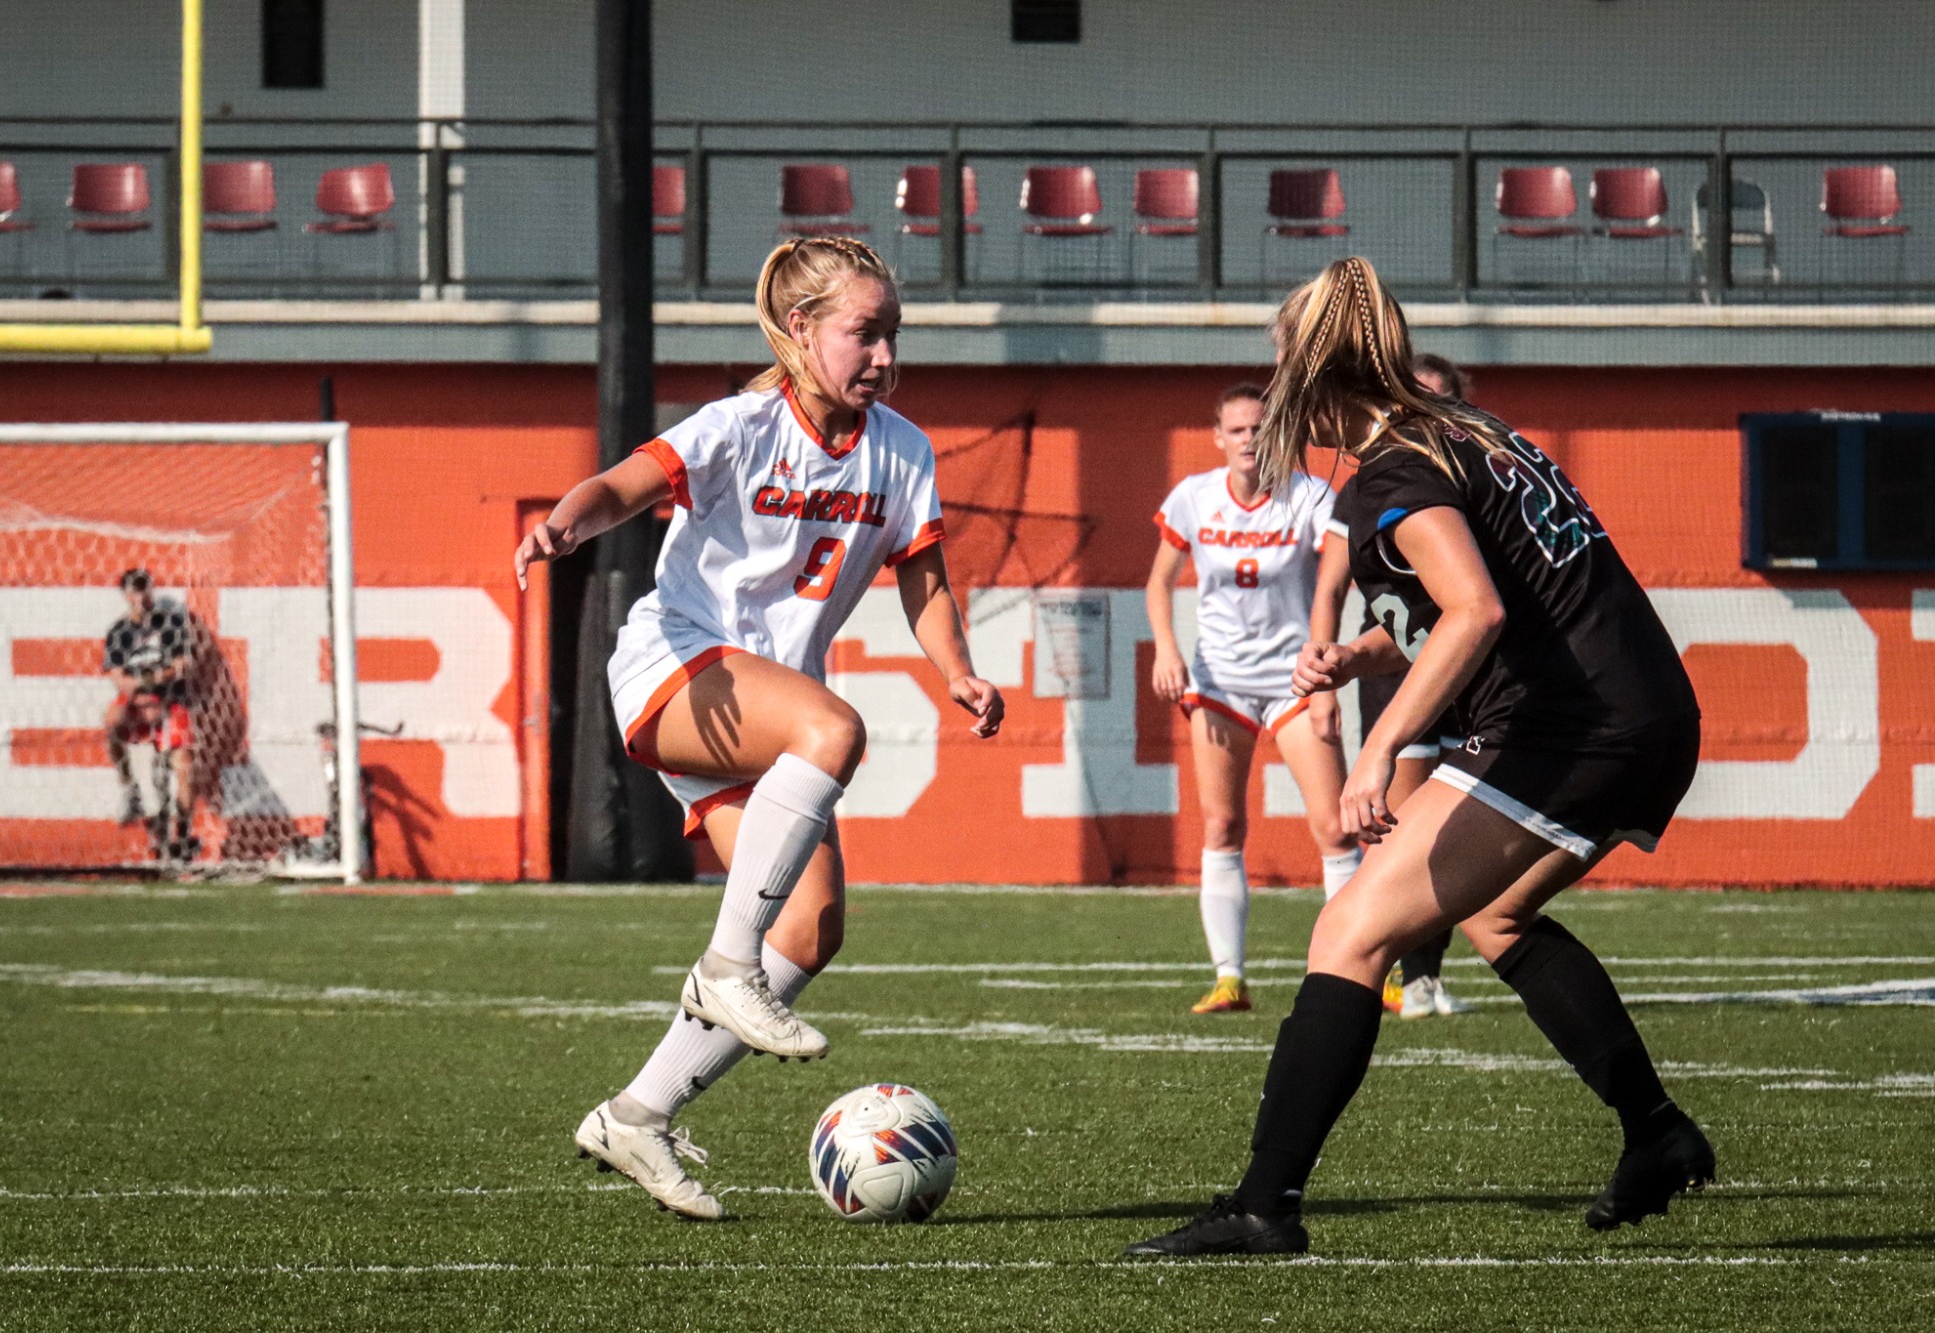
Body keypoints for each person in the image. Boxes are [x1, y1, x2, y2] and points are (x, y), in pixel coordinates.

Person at [1126, 258, 1709, 1258]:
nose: (1270, 397)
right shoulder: (1466, 431)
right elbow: (1477, 596)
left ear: (1315, 371)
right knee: (1493, 913)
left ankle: (1264, 1204)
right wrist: (1359, 652)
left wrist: (1377, 747)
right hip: (1646, 711)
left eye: (1279, 367)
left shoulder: (1394, 466)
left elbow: (1474, 609)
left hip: (1573, 724)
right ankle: (1656, 1134)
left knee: (1349, 931)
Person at [514, 236, 1004, 1221]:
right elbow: (625, 483)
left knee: (810, 928)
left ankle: (636, 1114)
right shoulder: (738, 425)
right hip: (676, 671)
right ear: (798, 330)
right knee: (834, 729)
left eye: (890, 334)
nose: (882, 355)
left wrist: (956, 668)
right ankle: (724, 968)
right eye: (862, 333)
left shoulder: (900, 449)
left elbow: (924, 577)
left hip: (763, 718)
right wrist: (566, 524)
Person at [1147, 383, 1360, 1015]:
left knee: (1335, 827)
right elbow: (1159, 582)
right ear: (1218, 439)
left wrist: (1322, 673)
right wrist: (1167, 648)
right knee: (1222, 823)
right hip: (1220, 681)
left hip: (1294, 680)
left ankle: (1364, 968)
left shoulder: (1310, 493)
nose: (1249, 440)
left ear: (1281, 435)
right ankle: (1229, 978)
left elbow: (1337, 578)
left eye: (1260, 429)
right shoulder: (1194, 497)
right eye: (1236, 430)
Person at [1309, 352, 1477, 1021]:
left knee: (1465, 837)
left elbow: (1481, 604)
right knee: (1404, 831)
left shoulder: (1476, 479)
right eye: (1416, 398)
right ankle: (1396, 973)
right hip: (1395, 671)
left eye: (1440, 400)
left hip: (1471, 673)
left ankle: (1426, 977)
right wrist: (1325, 679)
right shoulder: (1365, 487)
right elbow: (1327, 590)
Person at [103, 568, 198, 855]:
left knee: (184, 763)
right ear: (125, 594)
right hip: (139, 706)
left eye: (144, 587)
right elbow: (120, 680)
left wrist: (147, 680)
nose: (140, 595)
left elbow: (183, 666)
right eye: (134, 589)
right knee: (111, 721)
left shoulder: (170, 624)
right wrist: (143, 686)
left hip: (169, 702)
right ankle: (130, 790)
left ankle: (182, 833)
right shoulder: (119, 632)